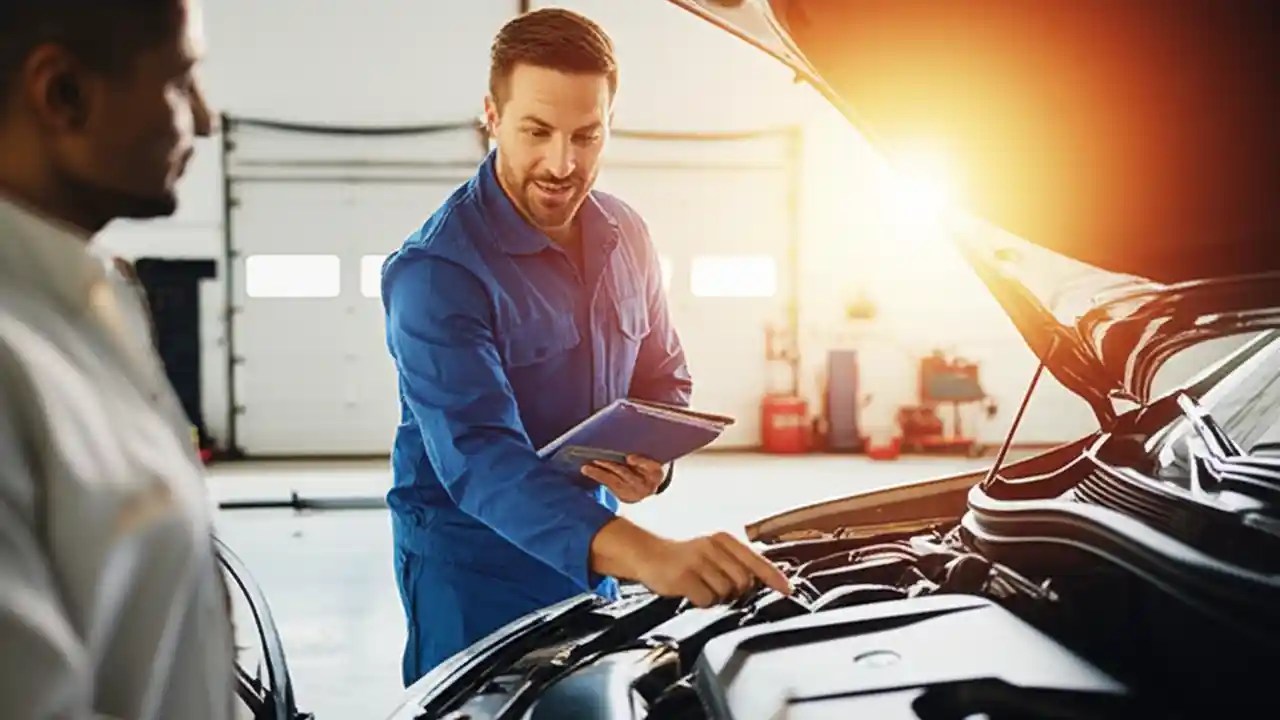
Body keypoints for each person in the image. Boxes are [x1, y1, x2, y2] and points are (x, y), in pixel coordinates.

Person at [382, 7, 790, 684]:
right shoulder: (437, 272)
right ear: (492, 114)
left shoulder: (625, 233)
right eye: (536, 132)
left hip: (602, 560)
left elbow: (664, 375)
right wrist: (653, 556)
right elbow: (479, 460)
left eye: (586, 135)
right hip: (474, 582)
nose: (561, 164)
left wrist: (653, 464)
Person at [0, 1, 232, 718]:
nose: (203, 118)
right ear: (62, 93)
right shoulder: (15, 356)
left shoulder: (81, 305)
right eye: (179, 81)